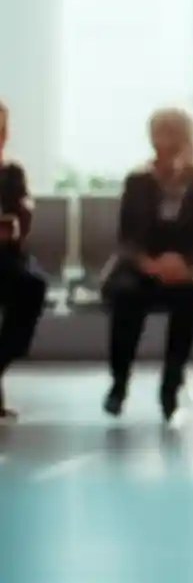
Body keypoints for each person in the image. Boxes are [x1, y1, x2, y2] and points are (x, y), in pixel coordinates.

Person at [102, 107, 193, 422]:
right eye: (158, 134)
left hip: (188, 270)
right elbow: (126, 238)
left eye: (172, 134)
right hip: (142, 267)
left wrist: (188, 266)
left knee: (189, 302)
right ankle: (119, 384)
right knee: (127, 296)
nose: (163, 142)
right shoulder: (138, 181)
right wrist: (149, 263)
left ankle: (170, 386)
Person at [0, 100, 49, 421]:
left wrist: (20, 220)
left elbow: (19, 224)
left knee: (32, 284)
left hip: (6, 256)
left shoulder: (12, 173)